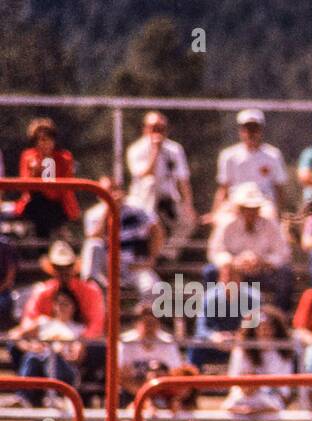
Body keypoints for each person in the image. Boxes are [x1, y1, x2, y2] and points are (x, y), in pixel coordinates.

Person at [221, 307, 295, 421]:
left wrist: (262, 397)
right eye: (260, 326)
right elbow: (235, 380)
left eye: (269, 327)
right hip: (244, 394)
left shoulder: (283, 353)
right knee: (238, 411)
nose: (265, 330)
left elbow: (284, 389)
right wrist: (249, 392)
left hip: (271, 399)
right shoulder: (243, 350)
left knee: (268, 415)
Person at [205, 181, 294, 311]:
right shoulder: (227, 224)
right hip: (233, 273)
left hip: (262, 272)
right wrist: (234, 262)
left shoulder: (270, 224)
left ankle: (280, 315)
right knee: (210, 272)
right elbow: (215, 251)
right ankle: (216, 314)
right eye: (247, 208)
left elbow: (283, 252)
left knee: (285, 274)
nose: (251, 212)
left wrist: (264, 261)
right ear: (240, 208)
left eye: (254, 208)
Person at [81, 177, 164, 301]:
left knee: (153, 287)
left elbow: (156, 230)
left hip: (134, 265)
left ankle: (143, 316)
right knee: (92, 245)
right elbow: (93, 237)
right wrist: (109, 210)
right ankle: (92, 284)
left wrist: (151, 258)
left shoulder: (136, 207)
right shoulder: (94, 214)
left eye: (115, 189)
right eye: (107, 191)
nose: (113, 194)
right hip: (108, 267)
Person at [6, 286, 85, 405]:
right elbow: (14, 335)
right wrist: (31, 347)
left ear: (73, 307)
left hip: (65, 369)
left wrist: (59, 352)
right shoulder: (44, 322)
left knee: (49, 356)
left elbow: (77, 357)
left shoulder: (79, 329)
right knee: (33, 357)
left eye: (66, 304)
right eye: (58, 304)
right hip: (39, 364)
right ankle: (22, 398)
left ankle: (54, 397)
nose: (61, 308)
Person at [125, 111, 195, 245]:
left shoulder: (175, 149)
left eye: (161, 128)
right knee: (150, 182)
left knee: (188, 221)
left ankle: (167, 254)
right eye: (153, 128)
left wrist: (188, 205)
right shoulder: (136, 149)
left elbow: (183, 180)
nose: (157, 132)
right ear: (145, 129)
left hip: (168, 198)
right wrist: (155, 151)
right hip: (144, 200)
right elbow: (144, 174)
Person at [211, 108, 289, 222]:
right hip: (236, 201)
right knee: (223, 222)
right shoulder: (228, 155)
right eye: (247, 129)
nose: (250, 134)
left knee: (270, 219)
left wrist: (279, 213)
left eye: (254, 129)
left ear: (260, 130)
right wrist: (215, 213)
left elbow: (279, 188)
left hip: (263, 202)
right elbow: (224, 188)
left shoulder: (273, 155)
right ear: (241, 131)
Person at [14, 118, 79, 237]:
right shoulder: (28, 156)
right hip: (34, 204)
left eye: (47, 138)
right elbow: (23, 186)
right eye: (40, 139)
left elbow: (65, 187)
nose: (44, 143)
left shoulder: (64, 157)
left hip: (58, 205)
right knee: (37, 206)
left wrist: (48, 172)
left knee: (47, 208)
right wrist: (35, 173)